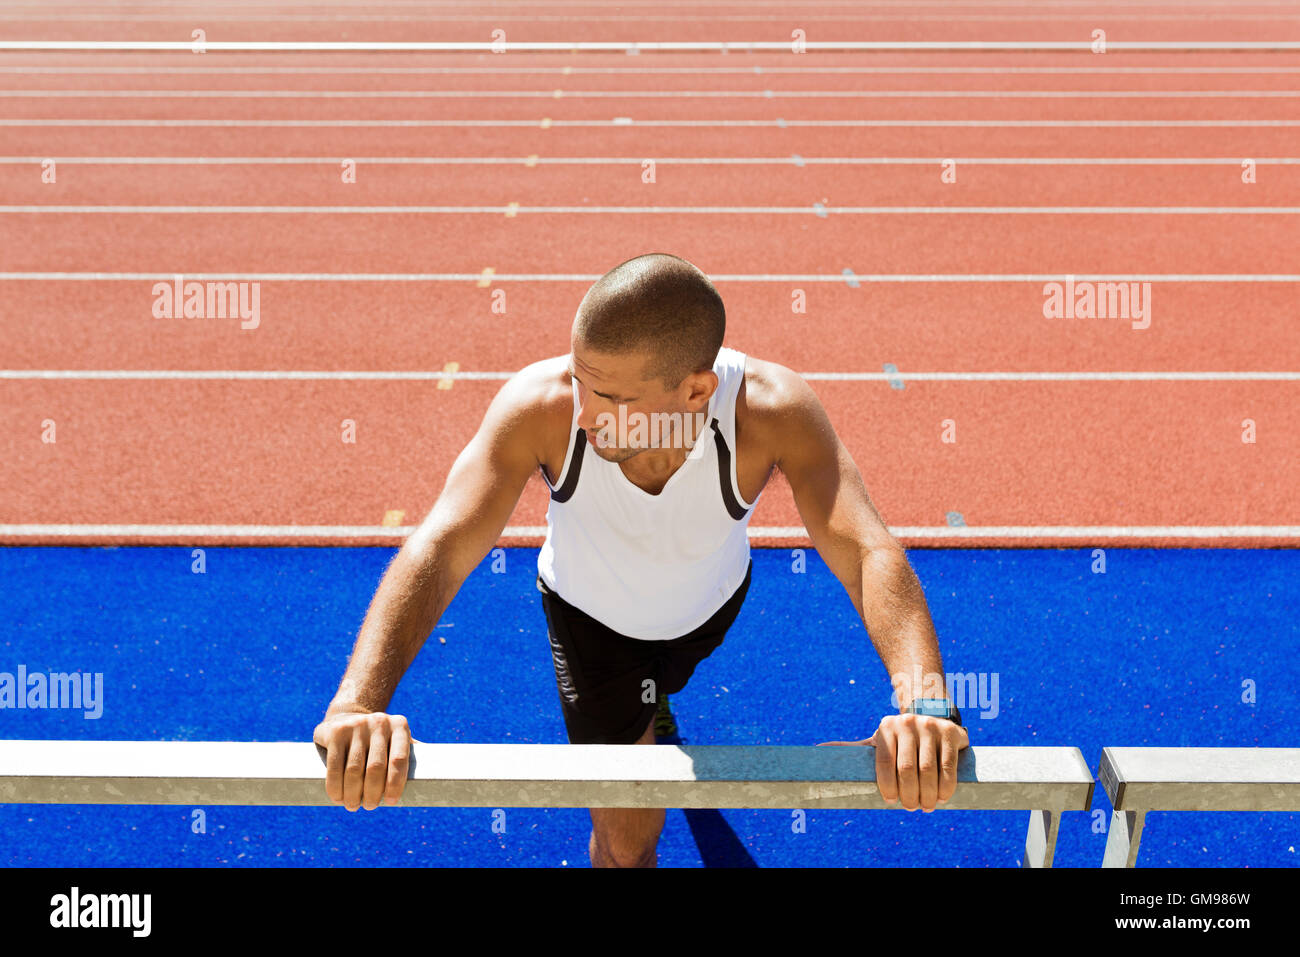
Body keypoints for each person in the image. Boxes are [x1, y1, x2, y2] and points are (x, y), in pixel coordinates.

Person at [313, 252, 969, 867]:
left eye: (614, 400)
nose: (586, 414)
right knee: (628, 841)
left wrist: (927, 706)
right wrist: (357, 703)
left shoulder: (770, 411)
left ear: (695, 392)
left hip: (708, 613)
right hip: (591, 626)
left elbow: (864, 550)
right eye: (580, 380)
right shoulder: (539, 410)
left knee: (659, 696)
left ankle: (653, 705)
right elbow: (441, 545)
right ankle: (640, 718)